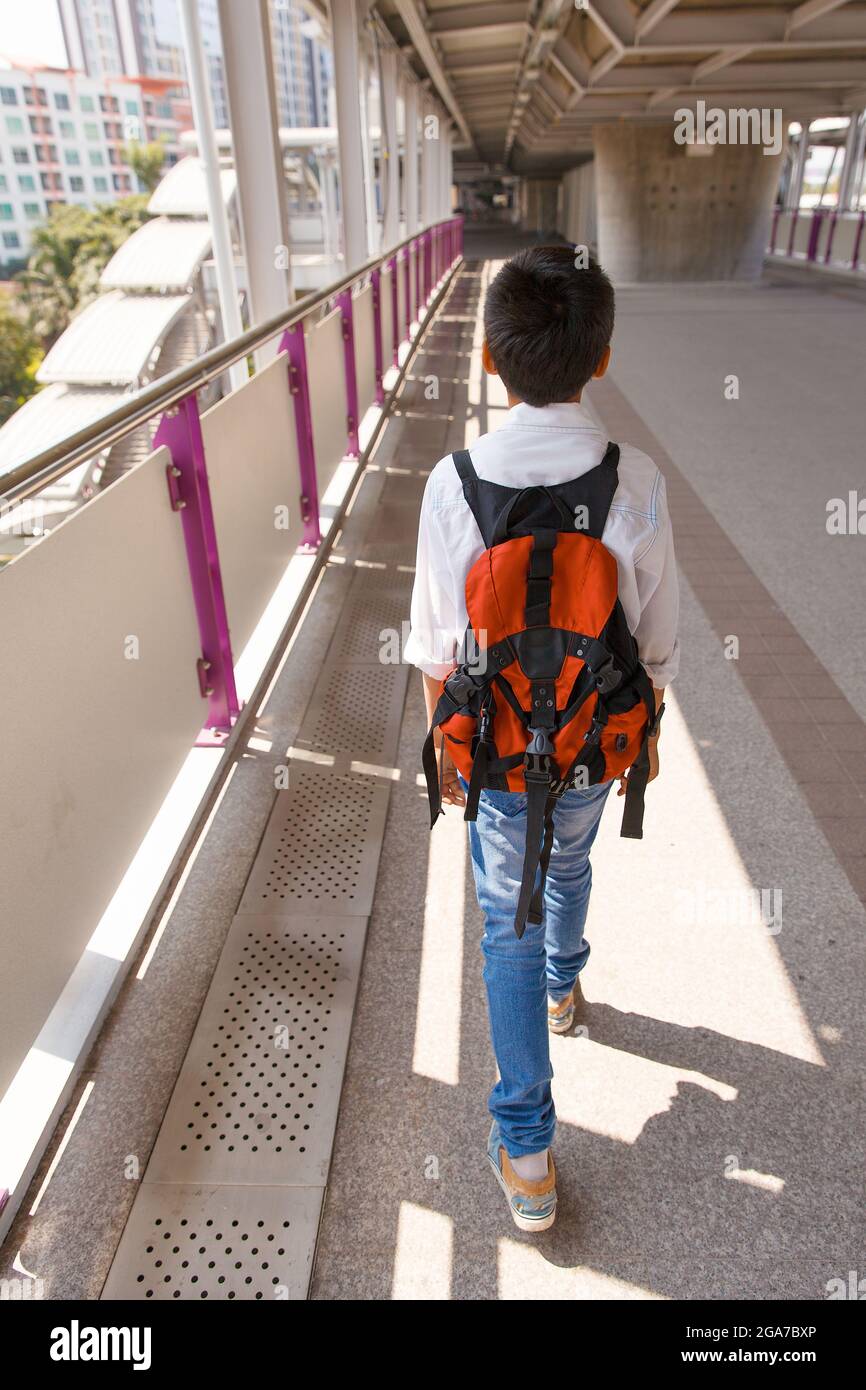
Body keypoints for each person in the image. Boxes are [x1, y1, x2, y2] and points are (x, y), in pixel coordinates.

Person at [404, 246, 680, 1231]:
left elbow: (436, 646)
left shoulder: (455, 482)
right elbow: (655, 640)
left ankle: (525, 1151)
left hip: (496, 747)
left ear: (487, 358)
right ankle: (567, 985)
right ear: (599, 361)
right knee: (567, 861)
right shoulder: (632, 477)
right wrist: (635, 727)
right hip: (591, 737)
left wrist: (459, 751)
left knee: (501, 922)